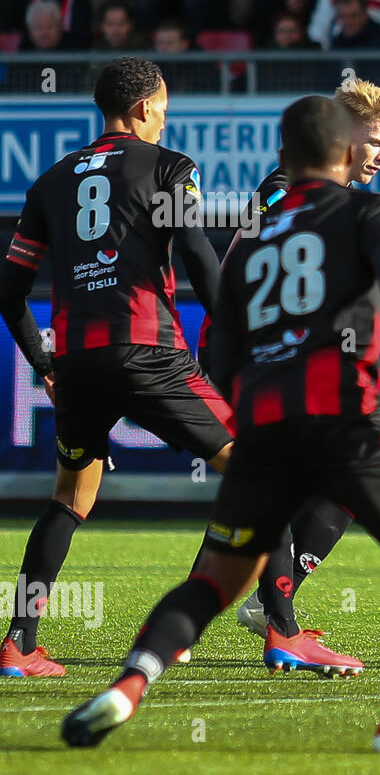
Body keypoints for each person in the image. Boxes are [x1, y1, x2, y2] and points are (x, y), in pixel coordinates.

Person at [62, 96, 380, 755]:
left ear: (286, 156)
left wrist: (240, 402)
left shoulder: (258, 227)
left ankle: (128, 685)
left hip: (263, 427)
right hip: (345, 418)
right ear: (347, 149)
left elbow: (225, 329)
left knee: (210, 581)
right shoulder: (374, 212)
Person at [0, 58, 228, 676]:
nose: (165, 118)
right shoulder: (170, 167)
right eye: (164, 107)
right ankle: (244, 628)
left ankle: (19, 643)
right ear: (146, 107)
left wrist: (44, 362)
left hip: (76, 364)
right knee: (263, 468)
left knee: (70, 497)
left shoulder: (50, 181)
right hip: (149, 351)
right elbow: (197, 254)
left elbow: (9, 290)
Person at [212, 80, 380, 659]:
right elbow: (241, 265)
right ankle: (280, 626)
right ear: (341, 133)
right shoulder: (288, 188)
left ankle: (243, 612)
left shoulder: (344, 201)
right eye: (375, 141)